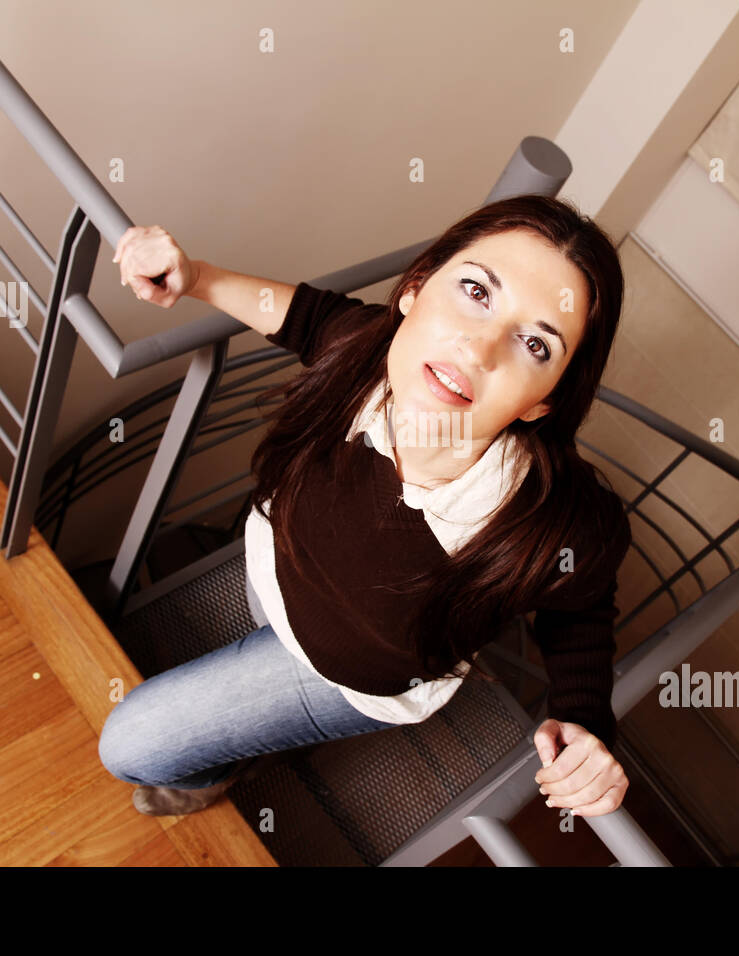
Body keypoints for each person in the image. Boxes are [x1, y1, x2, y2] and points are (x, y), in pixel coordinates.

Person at [98, 194, 632, 820]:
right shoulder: (363, 357)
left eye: (536, 345)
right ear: (414, 289)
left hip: (345, 680)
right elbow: (301, 315)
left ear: (545, 402)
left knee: (131, 744)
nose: (478, 349)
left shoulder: (556, 521)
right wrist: (196, 278)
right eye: (476, 292)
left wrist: (584, 718)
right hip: (275, 565)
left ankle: (212, 772)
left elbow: (582, 609)